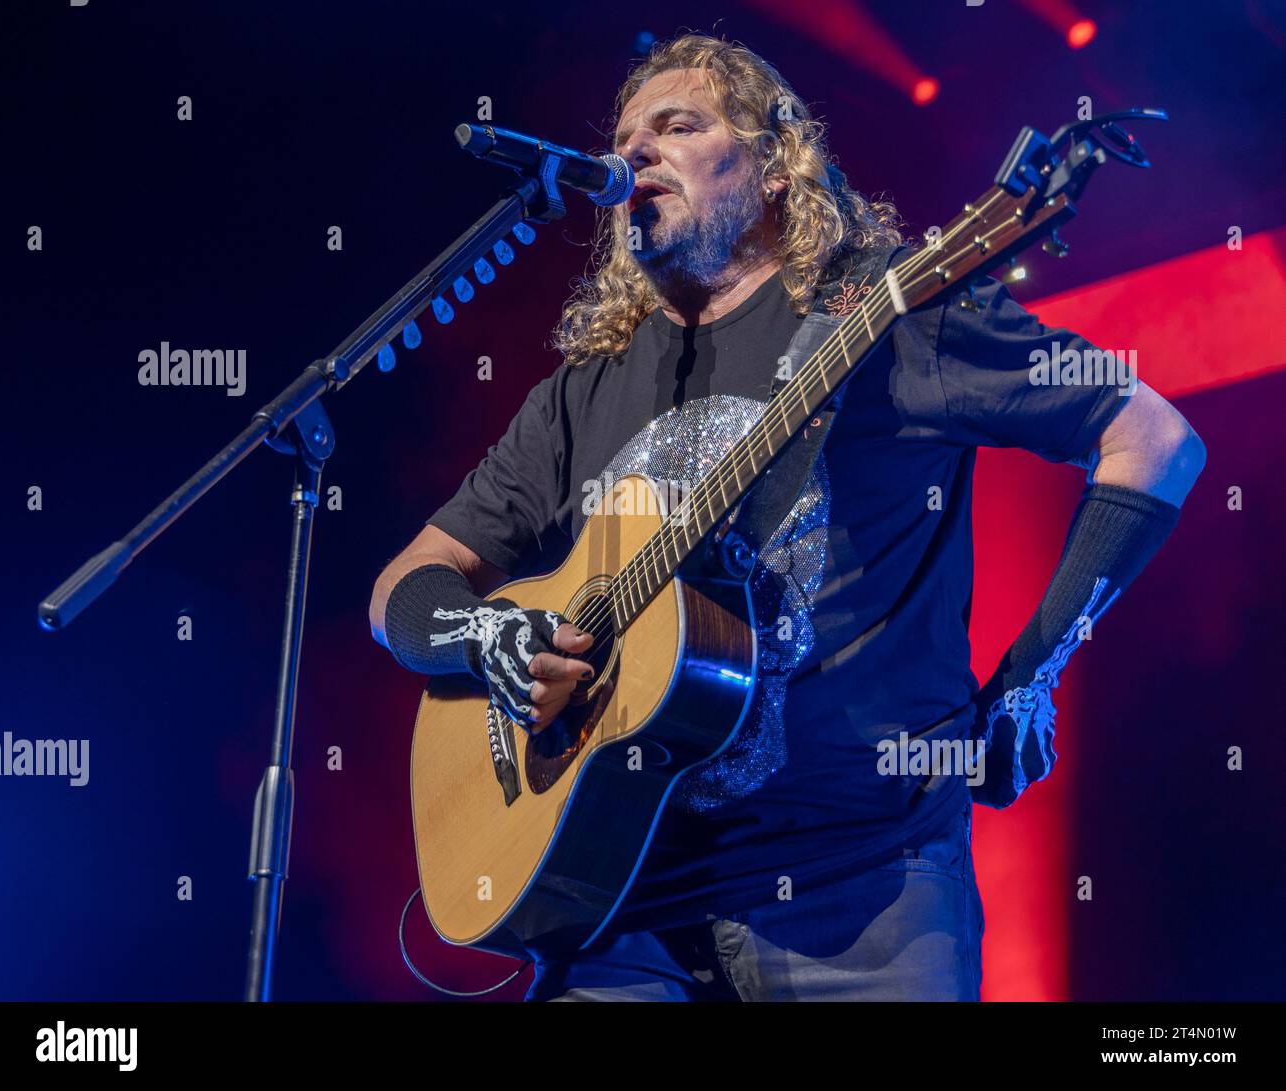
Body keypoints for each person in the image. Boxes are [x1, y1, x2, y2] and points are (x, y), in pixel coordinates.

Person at [368, 34, 1205, 1001]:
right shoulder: (578, 393)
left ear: (773, 162)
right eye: (627, 134)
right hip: (611, 914)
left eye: (678, 125)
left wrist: (1031, 673)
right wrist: (485, 632)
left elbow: (1154, 440)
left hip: (863, 897)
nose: (636, 150)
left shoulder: (891, 317)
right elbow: (404, 587)